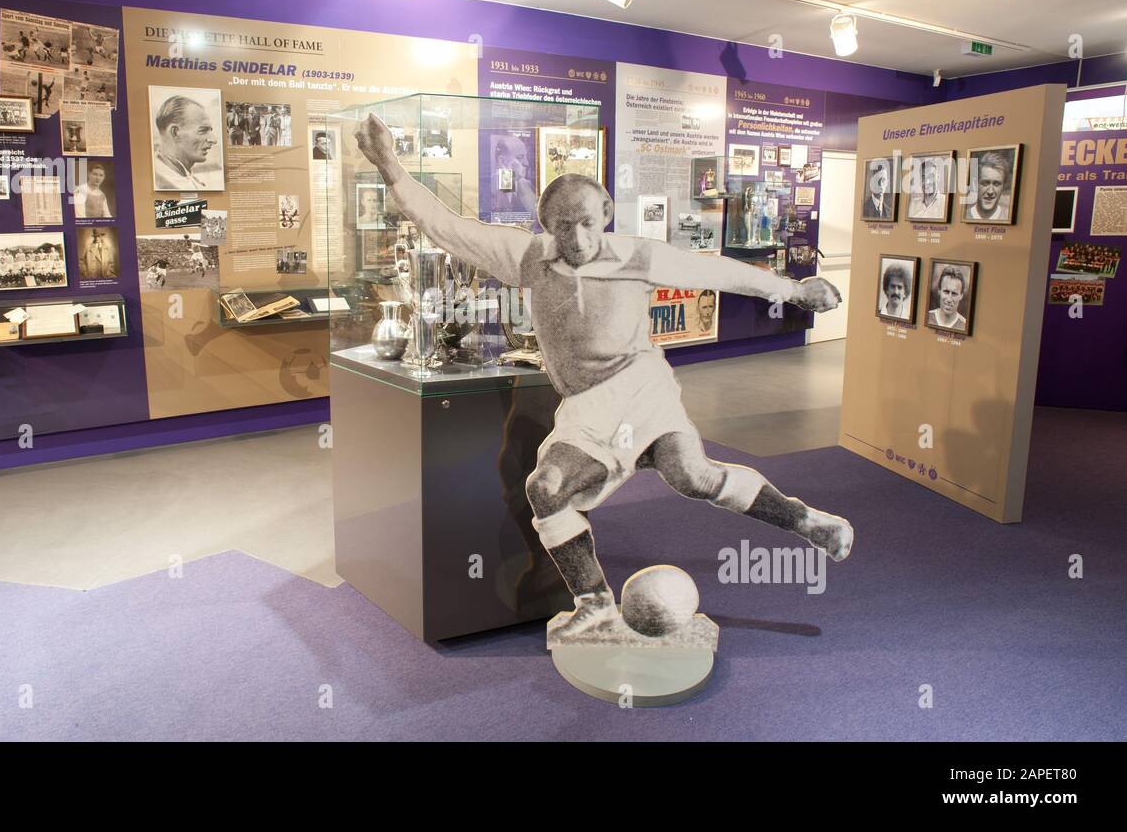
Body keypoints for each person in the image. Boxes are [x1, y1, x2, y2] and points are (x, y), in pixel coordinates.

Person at [355, 113, 853, 639]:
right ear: (546, 225)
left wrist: (795, 292)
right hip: (587, 406)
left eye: (587, 222)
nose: (577, 236)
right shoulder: (527, 258)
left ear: (606, 214)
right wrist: (390, 166)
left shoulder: (638, 255)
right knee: (545, 488)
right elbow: (449, 228)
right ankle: (594, 603)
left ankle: (808, 522)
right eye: (563, 225)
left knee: (692, 476)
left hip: (641, 389)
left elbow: (718, 271)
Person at [153, 96, 218, 190]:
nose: (213, 139)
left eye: (210, 130)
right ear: (175, 132)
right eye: (203, 130)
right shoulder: (155, 183)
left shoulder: (186, 177)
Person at [966, 150, 1011, 222]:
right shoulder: (965, 215)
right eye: (985, 183)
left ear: (1003, 186)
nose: (990, 191)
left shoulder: (1008, 216)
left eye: (996, 184)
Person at [927, 266, 968, 331]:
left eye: (954, 294)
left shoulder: (965, 326)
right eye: (946, 292)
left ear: (961, 296)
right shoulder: (926, 317)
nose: (949, 299)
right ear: (939, 290)